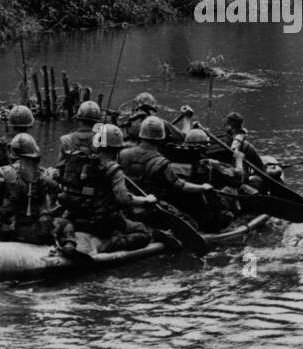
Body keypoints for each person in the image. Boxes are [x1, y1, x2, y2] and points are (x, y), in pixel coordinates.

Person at [51, 123, 159, 258]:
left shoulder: (81, 161)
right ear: (118, 148)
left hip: (75, 217)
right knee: (143, 232)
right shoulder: (114, 169)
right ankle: (107, 244)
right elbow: (123, 199)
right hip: (102, 223)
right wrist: (146, 201)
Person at [118, 116, 215, 228]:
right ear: (161, 139)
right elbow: (181, 186)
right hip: (150, 208)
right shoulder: (161, 162)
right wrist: (203, 187)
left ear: (141, 134)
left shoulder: (122, 154)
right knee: (192, 224)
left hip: (125, 205)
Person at [167, 128, 244, 231]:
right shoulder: (209, 164)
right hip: (207, 220)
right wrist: (239, 160)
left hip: (179, 214)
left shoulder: (168, 163)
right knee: (232, 190)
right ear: (206, 147)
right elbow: (237, 179)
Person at [55, 100, 101, 172]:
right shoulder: (101, 141)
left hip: (69, 182)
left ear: (78, 120)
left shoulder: (65, 140)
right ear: (97, 122)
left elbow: (58, 167)